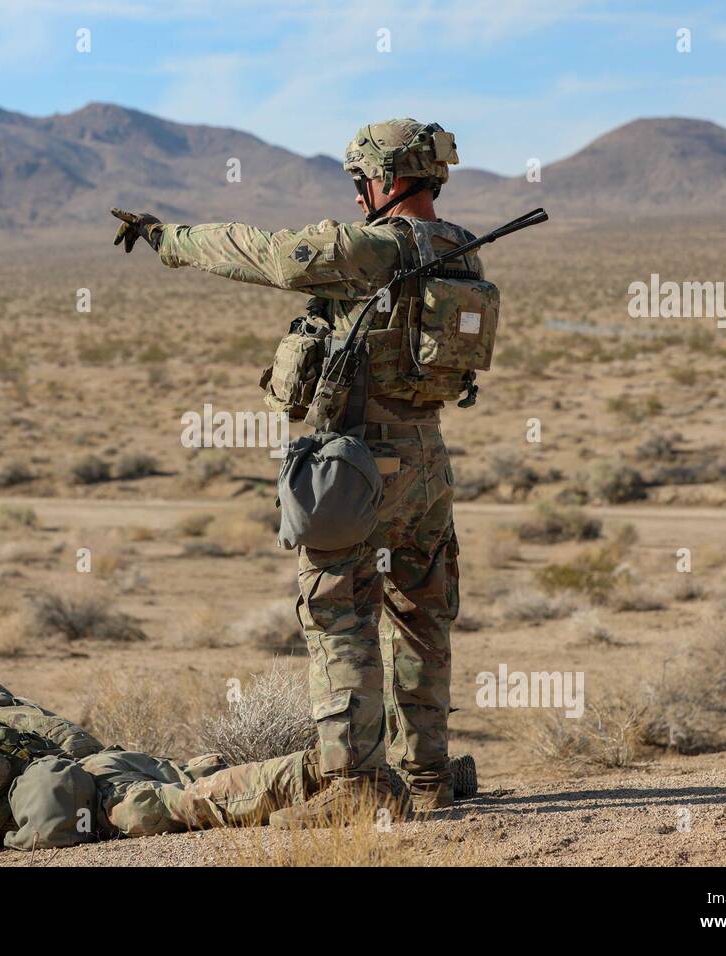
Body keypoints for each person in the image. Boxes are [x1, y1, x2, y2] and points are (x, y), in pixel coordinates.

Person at [111, 119, 483, 823]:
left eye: (360, 182)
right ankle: (426, 772)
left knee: (338, 613)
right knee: (422, 615)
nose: (355, 196)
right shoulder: (462, 249)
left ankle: (356, 785)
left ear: (391, 178)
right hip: (428, 459)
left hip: (355, 465)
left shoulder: (368, 247)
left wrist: (171, 241)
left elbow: (267, 255)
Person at [0, 660, 331, 858]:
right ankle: (326, 779)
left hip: (86, 794)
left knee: (189, 805)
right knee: (197, 778)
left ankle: (320, 769)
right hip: (105, 763)